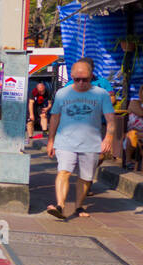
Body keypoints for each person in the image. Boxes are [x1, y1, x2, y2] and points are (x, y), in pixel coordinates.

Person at [46, 57, 115, 220]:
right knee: (63, 171)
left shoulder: (101, 94)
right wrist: (51, 140)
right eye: (77, 79)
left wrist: (109, 138)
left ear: (92, 76)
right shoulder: (63, 93)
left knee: (85, 177)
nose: (81, 83)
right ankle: (60, 205)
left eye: (85, 79)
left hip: (90, 142)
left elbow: (111, 119)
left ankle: (78, 206)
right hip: (65, 141)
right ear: (71, 76)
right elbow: (55, 117)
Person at [124, 81, 143, 171]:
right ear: (141, 92)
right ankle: (128, 161)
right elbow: (142, 113)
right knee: (133, 135)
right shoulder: (135, 102)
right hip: (136, 130)